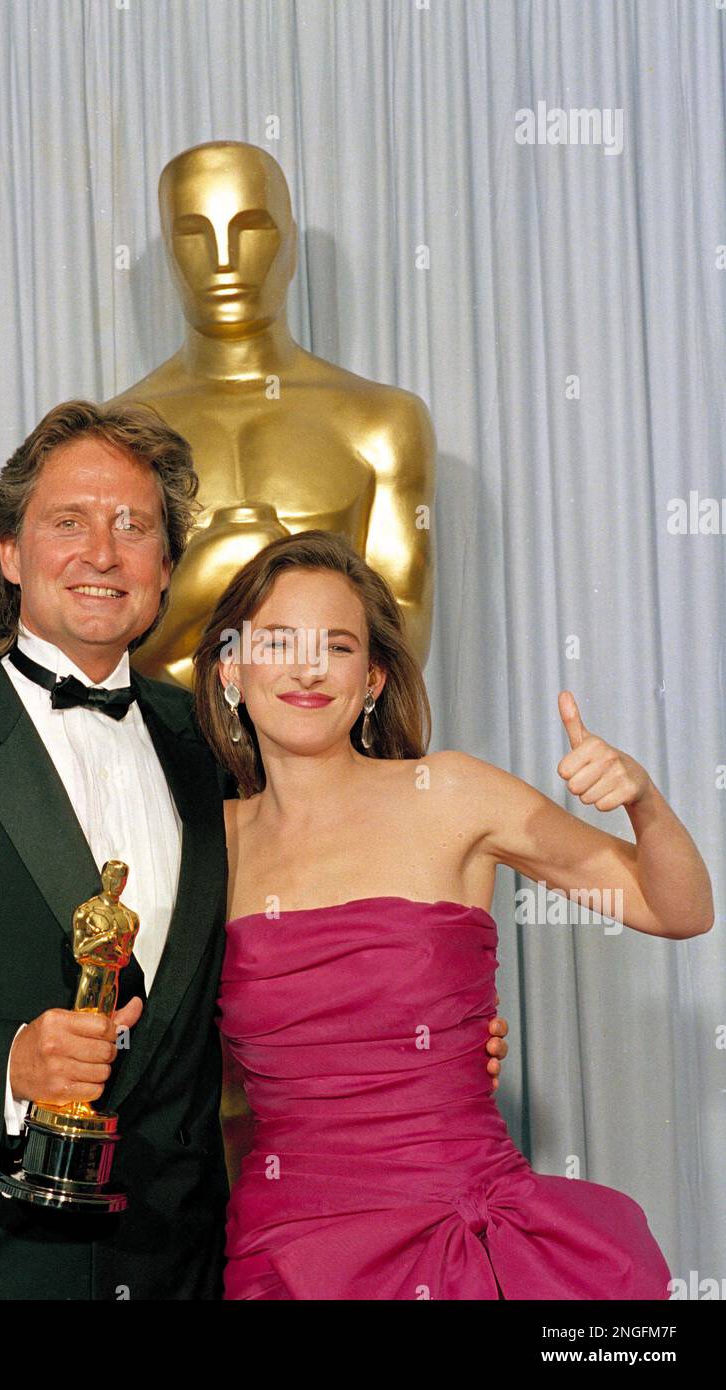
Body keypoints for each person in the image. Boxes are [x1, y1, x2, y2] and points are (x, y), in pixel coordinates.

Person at [0, 400, 509, 1300]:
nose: (102, 553)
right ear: (9, 552)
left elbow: (321, 909)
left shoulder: (225, 746)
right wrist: (8, 1066)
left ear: (166, 570)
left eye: (133, 527)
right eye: (68, 522)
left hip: (189, 1261)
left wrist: (409, 1030)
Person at [191, 528, 714, 1300]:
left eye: (336, 646)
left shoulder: (453, 795)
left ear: (371, 679)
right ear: (232, 667)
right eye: (277, 641)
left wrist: (643, 799)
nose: (306, 668)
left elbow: (679, 909)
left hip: (470, 1246)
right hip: (293, 1259)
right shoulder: (204, 849)